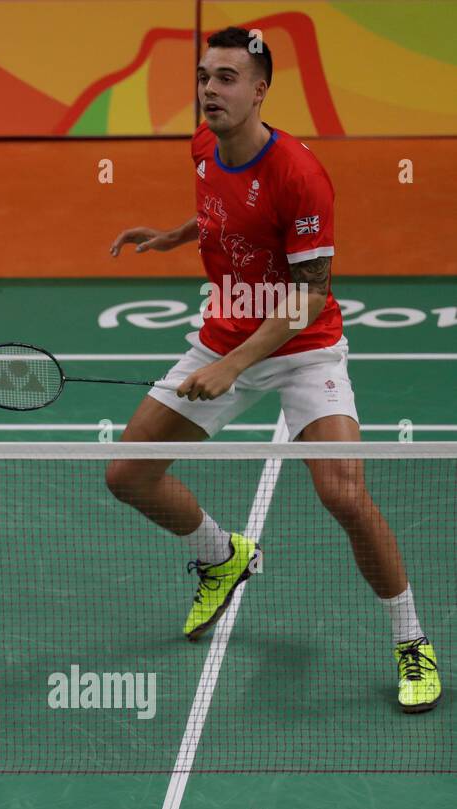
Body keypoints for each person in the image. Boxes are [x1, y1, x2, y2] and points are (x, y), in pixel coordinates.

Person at [108, 27, 440, 713]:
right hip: (224, 335)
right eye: (204, 76)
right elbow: (221, 213)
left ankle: (412, 640)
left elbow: (311, 292)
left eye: (226, 78)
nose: (209, 90)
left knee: (344, 494)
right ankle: (221, 553)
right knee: (129, 473)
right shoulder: (205, 144)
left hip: (301, 348)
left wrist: (234, 365)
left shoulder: (299, 172)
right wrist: (173, 235)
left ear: (260, 91)